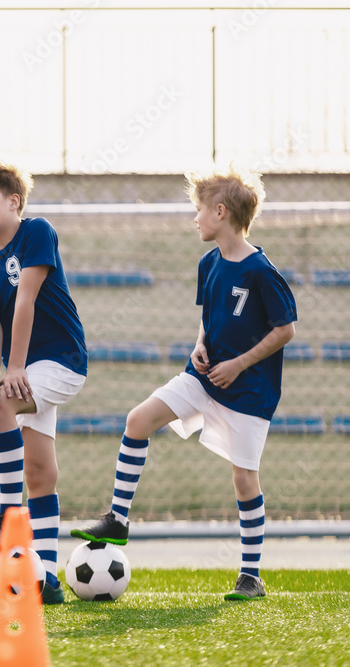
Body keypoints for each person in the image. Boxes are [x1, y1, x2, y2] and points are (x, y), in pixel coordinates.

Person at [72, 165, 296, 601]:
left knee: (244, 480)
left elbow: (285, 329)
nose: (195, 218)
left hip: (249, 394)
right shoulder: (208, 262)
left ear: (220, 212)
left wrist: (239, 364)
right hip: (203, 380)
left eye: (199, 210)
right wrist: (199, 345)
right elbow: (208, 317)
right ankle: (118, 519)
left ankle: (250, 576)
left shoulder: (261, 271)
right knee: (138, 420)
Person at [0, 161, 88, 605]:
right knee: (39, 472)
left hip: (61, 361)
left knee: (0, 405)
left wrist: (13, 370)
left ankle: (11, 516)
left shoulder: (36, 232)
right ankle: (46, 576)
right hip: (26, 371)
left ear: (14, 201)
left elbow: (27, 299)